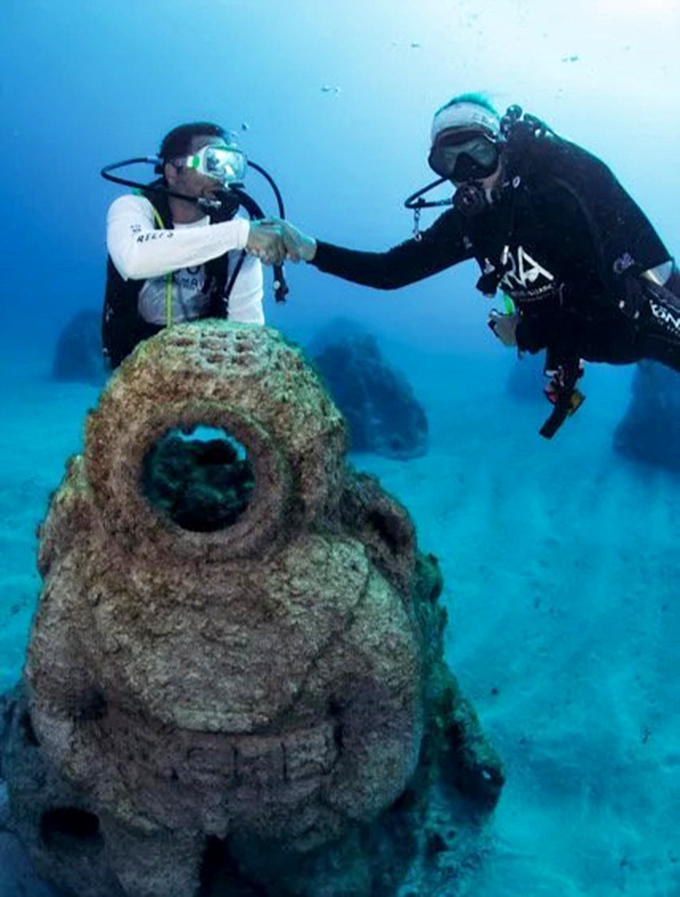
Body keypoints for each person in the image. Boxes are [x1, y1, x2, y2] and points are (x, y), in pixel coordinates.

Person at [260, 94, 679, 436]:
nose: (465, 174)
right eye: (448, 161)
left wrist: (524, 332)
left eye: (476, 155)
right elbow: (391, 272)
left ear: (501, 149)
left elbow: (597, 301)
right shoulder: (472, 225)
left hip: (637, 322)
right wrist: (309, 248)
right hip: (587, 339)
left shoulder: (552, 200)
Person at [103, 122, 287, 369]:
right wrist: (239, 233)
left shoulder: (238, 235)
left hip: (202, 361)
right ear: (172, 171)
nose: (223, 175)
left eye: (230, 165)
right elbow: (134, 259)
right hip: (132, 356)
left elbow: (248, 327)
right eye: (213, 162)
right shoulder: (132, 207)